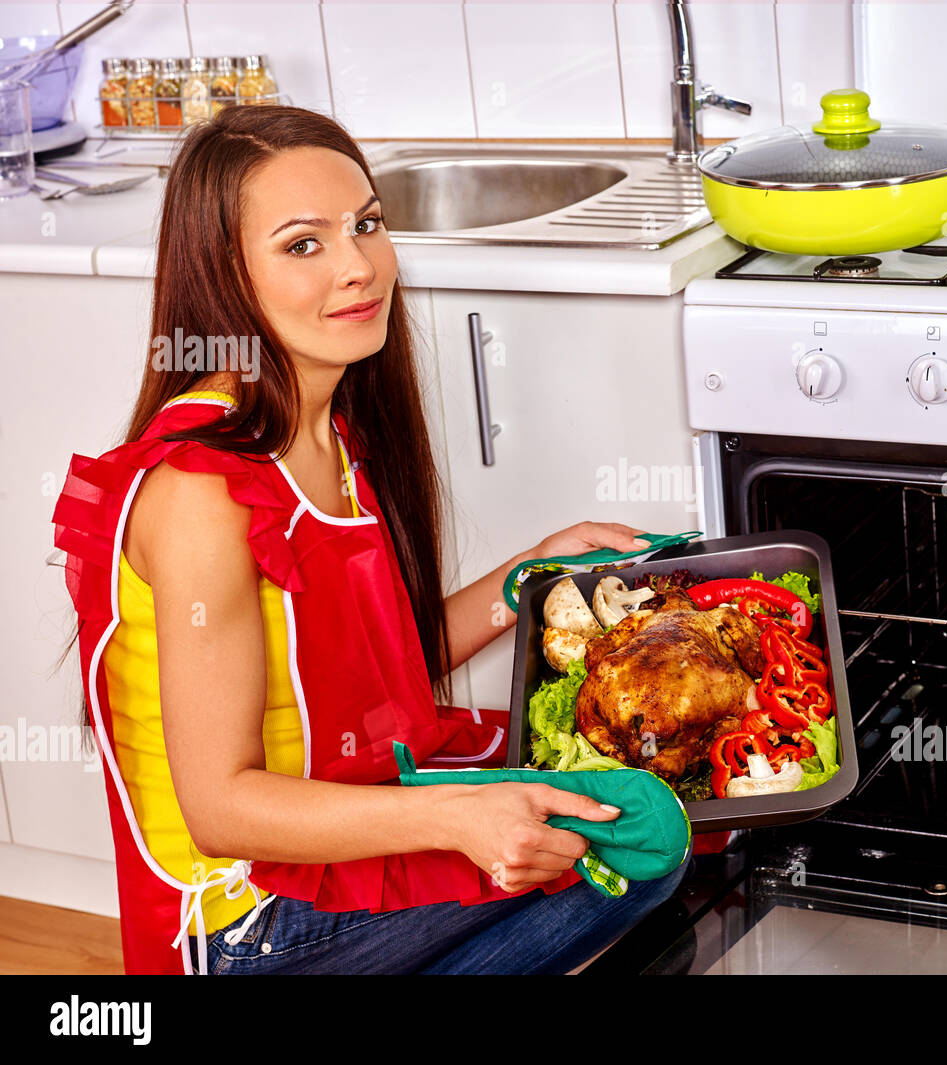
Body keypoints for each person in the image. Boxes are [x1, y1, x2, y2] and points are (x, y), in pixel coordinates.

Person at [50, 104, 687, 975]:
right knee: (642, 837)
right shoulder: (203, 491)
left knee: (637, 793)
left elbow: (379, 676)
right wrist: (462, 817)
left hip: (330, 842)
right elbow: (221, 809)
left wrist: (531, 577)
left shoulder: (322, 433)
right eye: (303, 244)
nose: (358, 267)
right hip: (247, 920)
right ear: (224, 273)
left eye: (368, 225)